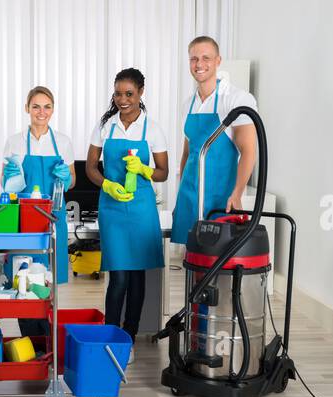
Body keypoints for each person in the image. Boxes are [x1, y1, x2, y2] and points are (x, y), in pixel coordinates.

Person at [85, 68, 169, 339]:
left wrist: (145, 170)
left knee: (136, 278)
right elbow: (90, 168)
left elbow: (163, 172)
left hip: (142, 210)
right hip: (112, 210)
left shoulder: (152, 128)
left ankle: (129, 336)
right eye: (118, 93)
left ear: (141, 92)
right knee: (119, 276)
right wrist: (106, 184)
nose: (123, 99)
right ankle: (111, 336)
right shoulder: (104, 126)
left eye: (129, 93)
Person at [1, 86, 75, 336]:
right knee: (24, 282)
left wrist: (66, 177)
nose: (41, 112)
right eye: (36, 106)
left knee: (47, 284)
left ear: (53, 110)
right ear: (27, 108)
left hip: (53, 218)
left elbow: (72, 181)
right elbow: (5, 183)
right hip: (24, 222)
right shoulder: (15, 141)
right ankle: (31, 341)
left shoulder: (63, 141)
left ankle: (47, 342)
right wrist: (10, 179)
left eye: (47, 107)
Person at [170, 36, 258, 245]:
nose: (199, 64)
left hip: (220, 199)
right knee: (191, 260)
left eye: (206, 58)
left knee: (216, 260)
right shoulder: (188, 104)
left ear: (218, 61)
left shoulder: (237, 99)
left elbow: (249, 152)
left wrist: (237, 193)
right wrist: (180, 197)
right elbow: (187, 154)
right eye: (194, 59)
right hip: (190, 196)